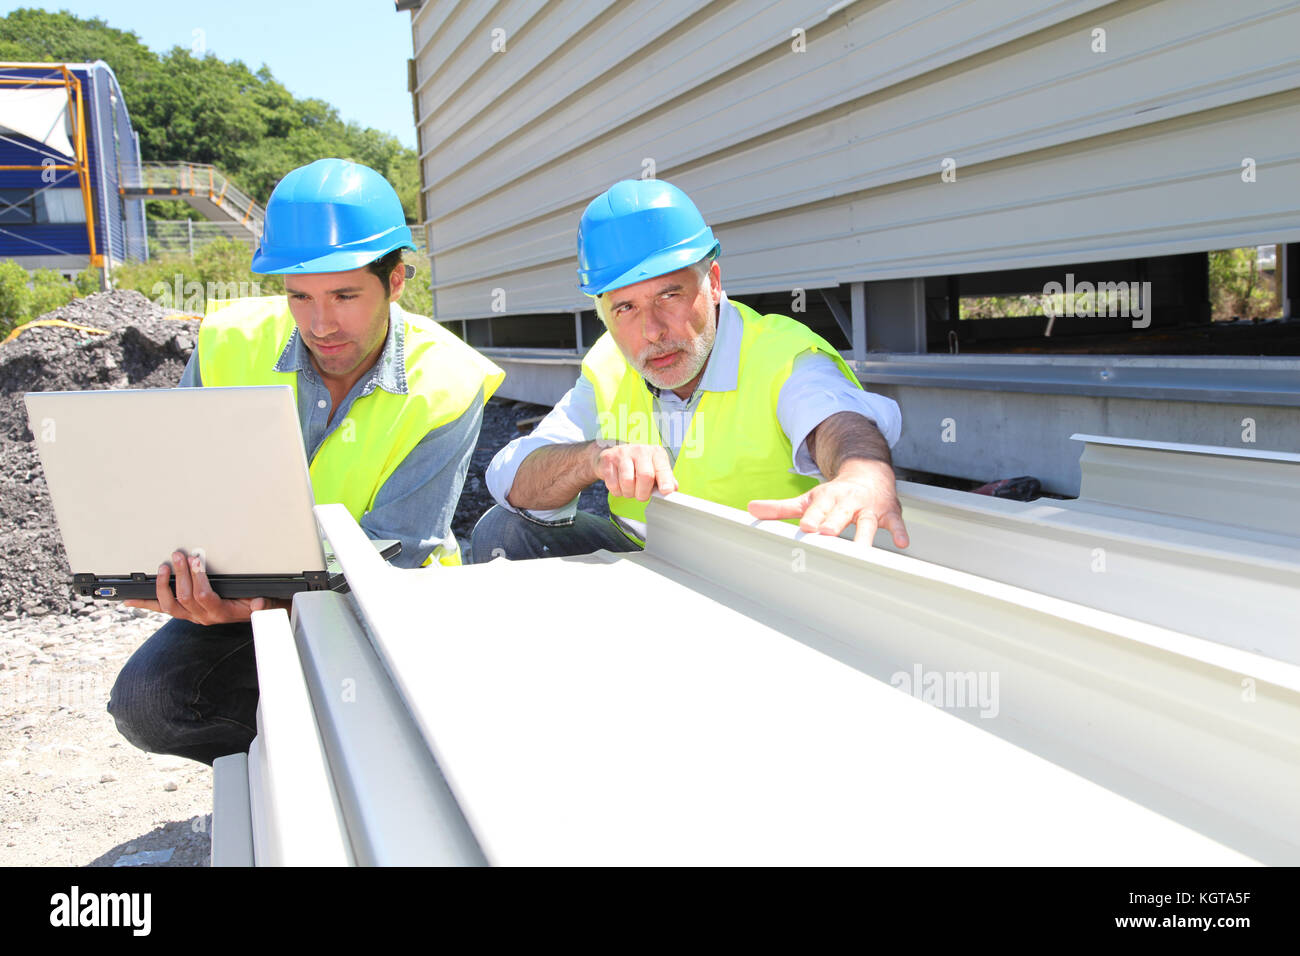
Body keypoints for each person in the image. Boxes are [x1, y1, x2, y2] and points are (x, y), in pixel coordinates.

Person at [107, 158, 504, 765]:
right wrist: (175, 574)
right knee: (148, 702)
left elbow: (400, 546)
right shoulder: (227, 344)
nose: (321, 324)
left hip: (390, 603)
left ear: (396, 280)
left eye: (345, 295)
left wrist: (265, 606)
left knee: (408, 726)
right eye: (299, 296)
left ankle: (355, 750)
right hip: (248, 595)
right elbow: (181, 484)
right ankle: (293, 770)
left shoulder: (448, 380)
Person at [471, 178, 907, 562]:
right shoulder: (609, 363)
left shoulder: (782, 356)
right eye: (625, 307)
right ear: (602, 312)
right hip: (648, 566)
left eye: (669, 296)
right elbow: (513, 475)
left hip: (764, 576)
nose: (652, 332)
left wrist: (863, 474)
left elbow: (836, 422)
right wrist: (593, 457)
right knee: (503, 531)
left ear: (713, 283)